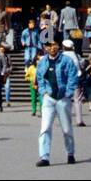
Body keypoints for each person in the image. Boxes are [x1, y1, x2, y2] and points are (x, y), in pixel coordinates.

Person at [35, 39, 78, 167]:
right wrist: (43, 92)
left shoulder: (67, 61)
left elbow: (73, 77)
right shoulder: (42, 62)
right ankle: (44, 157)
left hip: (63, 98)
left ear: (59, 46)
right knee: (45, 128)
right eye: (49, 45)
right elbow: (39, 78)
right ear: (46, 48)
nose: (52, 47)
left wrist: (68, 93)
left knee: (66, 129)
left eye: (54, 44)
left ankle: (70, 153)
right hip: (49, 98)